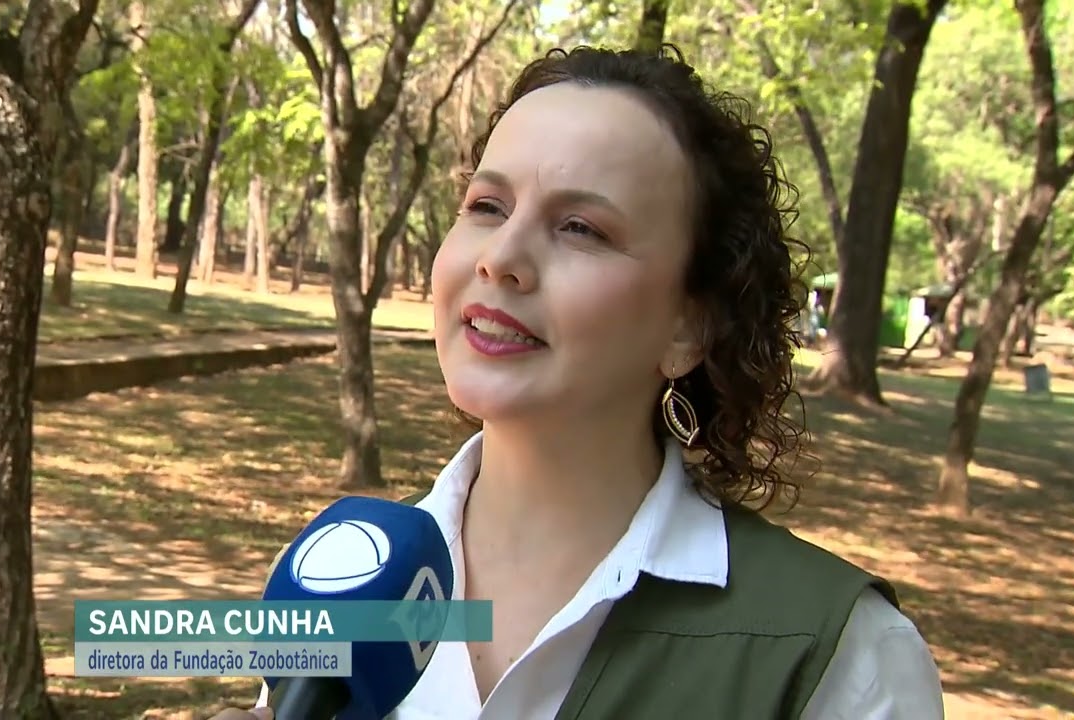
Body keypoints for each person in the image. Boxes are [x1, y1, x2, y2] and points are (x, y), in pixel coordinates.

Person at [214, 44, 945, 720]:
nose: (501, 257)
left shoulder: (840, 659)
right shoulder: (344, 578)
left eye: (581, 228)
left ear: (690, 325)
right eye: (487, 207)